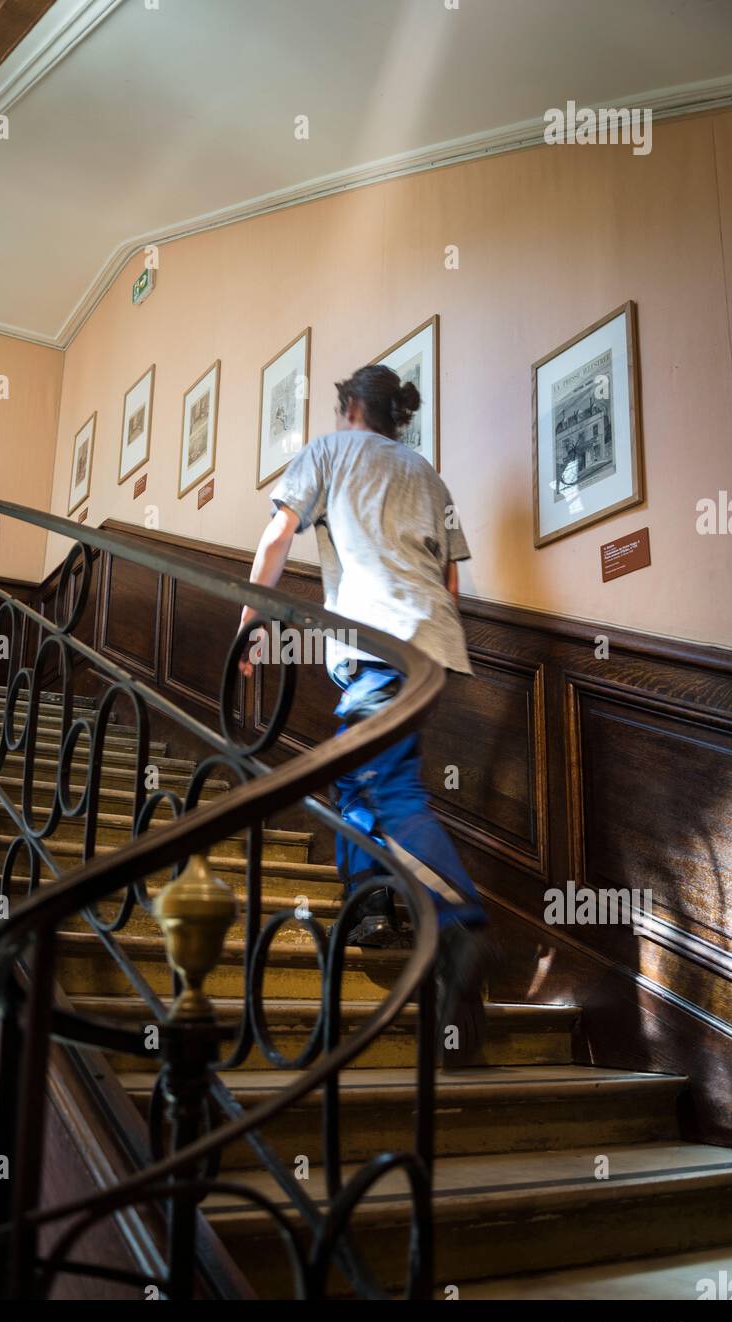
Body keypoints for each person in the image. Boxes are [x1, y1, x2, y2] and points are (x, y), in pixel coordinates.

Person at [238, 364, 491, 1062]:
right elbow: (449, 578)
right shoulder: (426, 472)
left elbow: (274, 539)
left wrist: (249, 621)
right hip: (428, 646)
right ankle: (370, 907)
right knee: (354, 777)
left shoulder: (326, 450)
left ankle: (459, 917)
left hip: (375, 638)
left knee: (388, 786)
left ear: (349, 406)